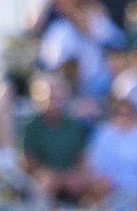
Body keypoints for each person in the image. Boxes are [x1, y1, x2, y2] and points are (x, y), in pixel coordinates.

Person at [18, 73, 99, 204]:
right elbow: (29, 161)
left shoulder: (73, 125)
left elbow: (81, 157)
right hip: (43, 175)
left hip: (70, 174)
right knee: (46, 183)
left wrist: (76, 174)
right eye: (50, 97)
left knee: (97, 184)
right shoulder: (31, 126)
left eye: (58, 97)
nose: (54, 102)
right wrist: (51, 175)